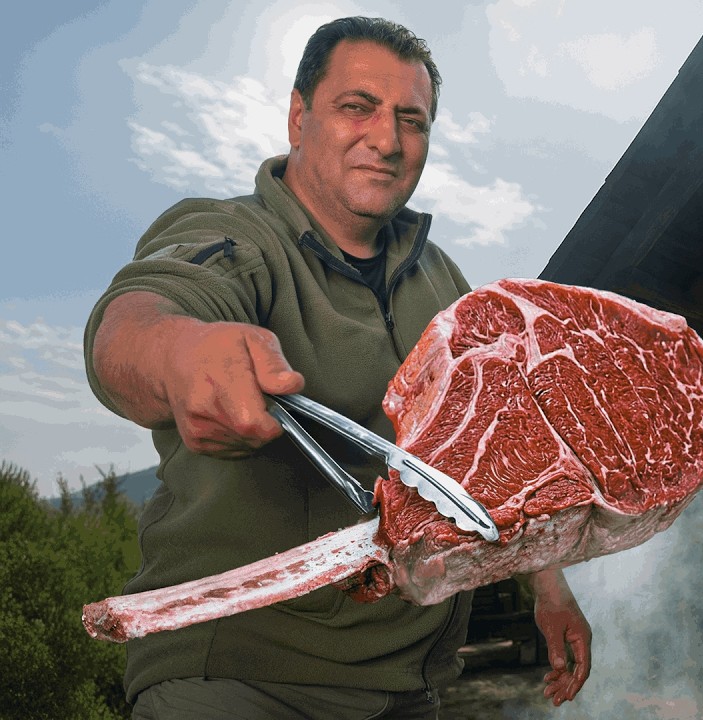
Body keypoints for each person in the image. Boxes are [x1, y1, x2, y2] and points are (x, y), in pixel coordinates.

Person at [84, 16, 591, 719]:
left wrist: (551, 589)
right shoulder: (232, 237)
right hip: (239, 675)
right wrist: (180, 354)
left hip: (408, 686)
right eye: (358, 107)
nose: (386, 141)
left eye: (410, 121)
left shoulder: (445, 283)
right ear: (299, 117)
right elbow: (133, 322)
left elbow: (495, 455)